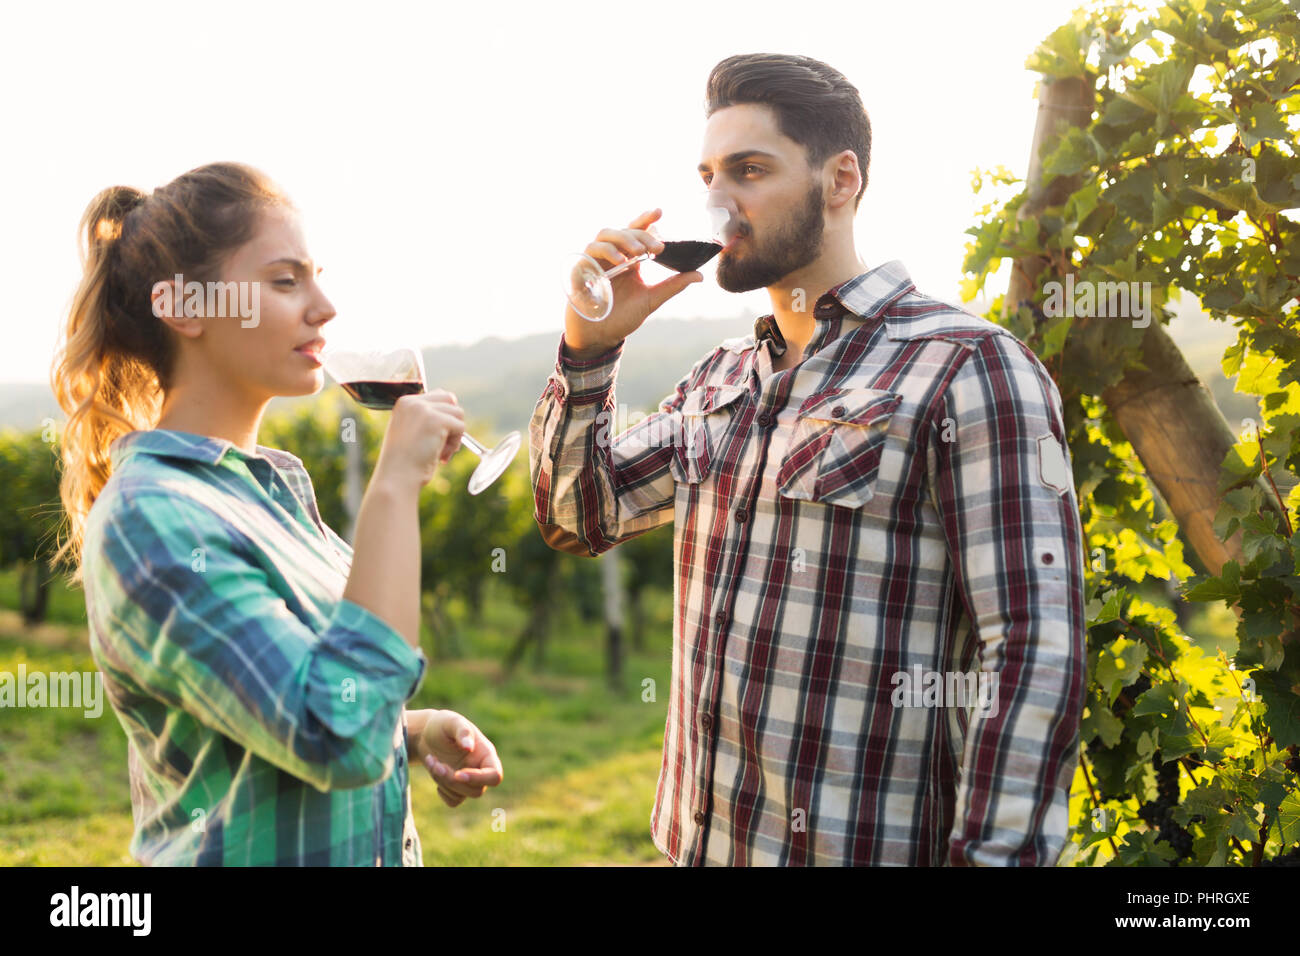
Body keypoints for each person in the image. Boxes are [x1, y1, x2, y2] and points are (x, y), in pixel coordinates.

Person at [530, 54, 1087, 865]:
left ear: (841, 179)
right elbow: (577, 516)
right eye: (709, 176)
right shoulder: (718, 379)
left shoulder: (968, 365)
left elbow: (1036, 644)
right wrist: (589, 351)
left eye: (750, 171)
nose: (720, 201)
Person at [52, 162, 502, 866]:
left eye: (316, 275)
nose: (323, 306)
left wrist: (408, 731)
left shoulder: (273, 491)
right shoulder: (153, 519)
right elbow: (335, 735)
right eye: (285, 281)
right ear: (186, 307)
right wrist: (393, 491)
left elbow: (293, 697)